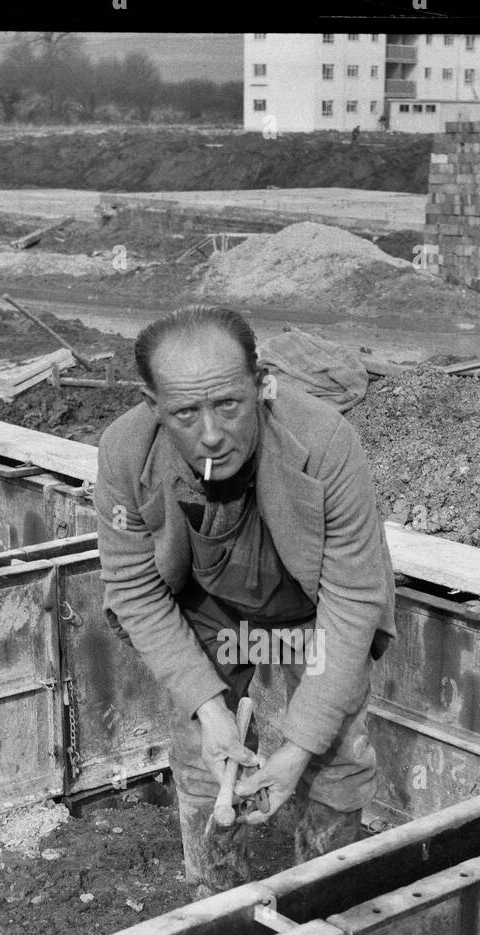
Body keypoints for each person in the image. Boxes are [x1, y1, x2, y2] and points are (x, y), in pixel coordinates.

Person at [94, 305, 396, 898]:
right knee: (207, 762)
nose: (211, 433)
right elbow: (133, 587)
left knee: (333, 756)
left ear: (261, 384)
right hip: (208, 609)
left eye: (228, 404)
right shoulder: (126, 453)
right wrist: (208, 708)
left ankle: (327, 903)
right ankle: (216, 906)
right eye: (185, 412)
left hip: (312, 613)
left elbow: (355, 598)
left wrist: (301, 743)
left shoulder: (324, 442)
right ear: (152, 405)